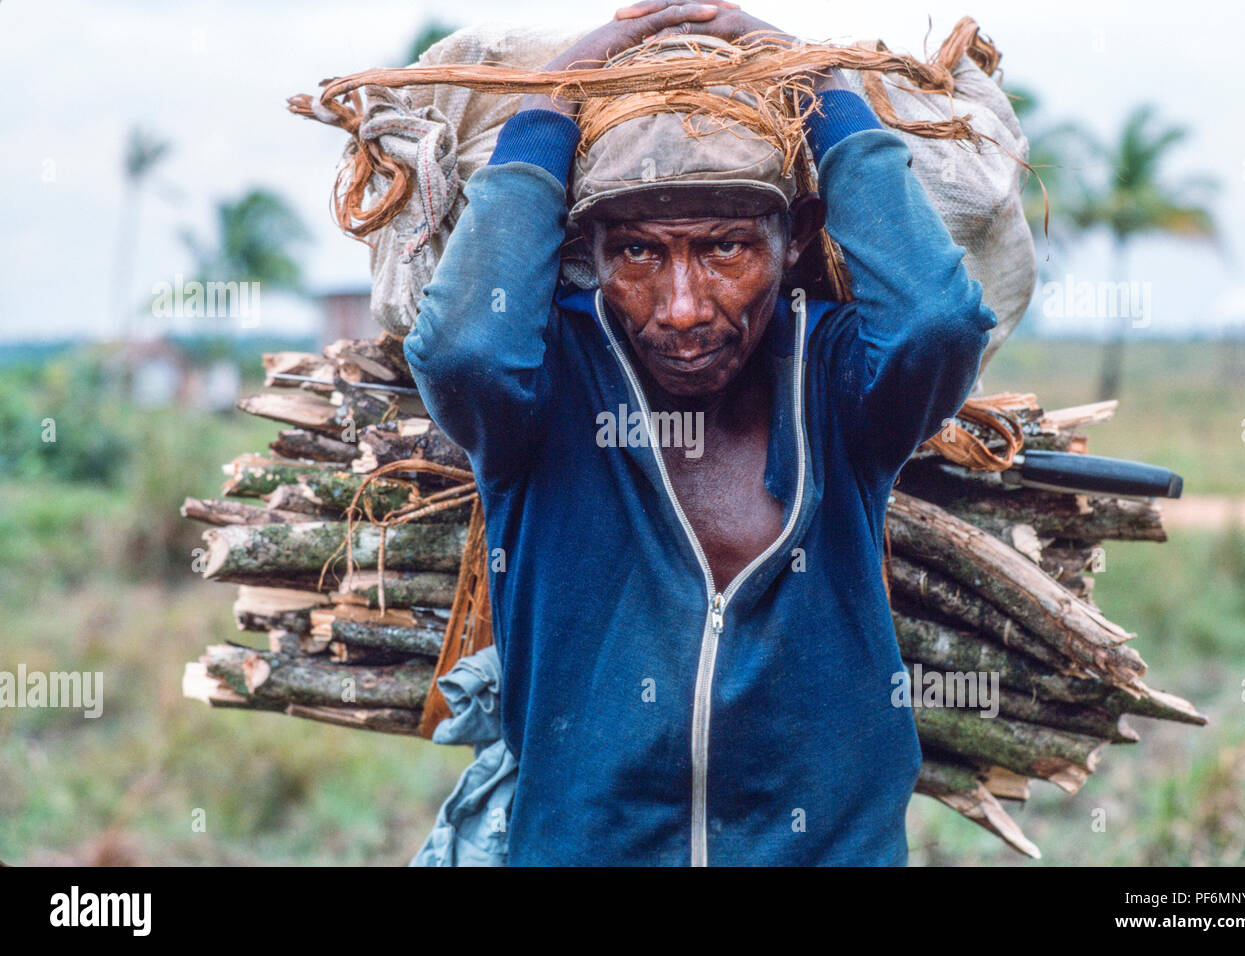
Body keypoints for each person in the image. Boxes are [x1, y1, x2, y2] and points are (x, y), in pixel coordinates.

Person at [404, 0, 997, 866]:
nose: (682, 306)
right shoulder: (546, 392)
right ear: (587, 250)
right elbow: (461, 346)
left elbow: (936, 323)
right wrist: (560, 93)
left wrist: (816, 78)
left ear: (794, 238)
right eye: (640, 253)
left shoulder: (836, 382)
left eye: (724, 249)